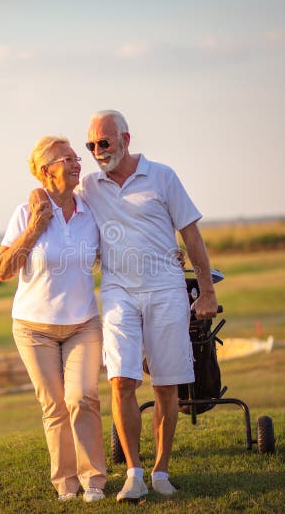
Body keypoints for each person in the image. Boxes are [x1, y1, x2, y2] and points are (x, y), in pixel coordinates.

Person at [79, 109, 218, 501]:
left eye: (103, 142)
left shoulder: (162, 176)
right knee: (121, 379)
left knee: (167, 385)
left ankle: (160, 471)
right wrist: (38, 194)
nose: (96, 151)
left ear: (126, 138)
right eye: (90, 145)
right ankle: (133, 473)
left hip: (166, 290)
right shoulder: (89, 186)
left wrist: (206, 291)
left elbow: (191, 234)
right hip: (119, 291)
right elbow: (60, 200)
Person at [0, 136, 107, 503]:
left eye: (77, 157)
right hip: (33, 328)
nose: (78, 162)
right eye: (68, 158)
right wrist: (35, 228)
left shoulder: (91, 209)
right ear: (46, 171)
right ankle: (66, 485)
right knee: (55, 405)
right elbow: (2, 270)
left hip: (83, 324)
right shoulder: (26, 212)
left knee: (83, 398)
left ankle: (94, 481)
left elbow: (113, 255)